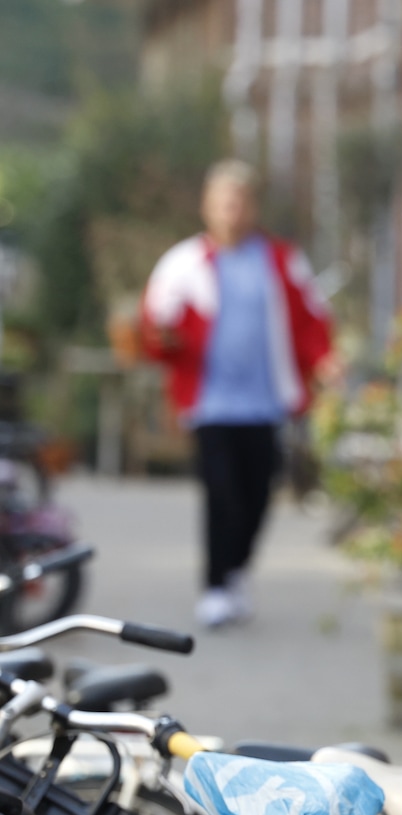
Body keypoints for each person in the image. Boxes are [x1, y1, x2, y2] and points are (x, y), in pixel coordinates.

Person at [140, 160, 330, 628]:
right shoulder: (184, 263)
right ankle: (215, 585)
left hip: (264, 402)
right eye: (224, 202)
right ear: (208, 207)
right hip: (211, 402)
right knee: (221, 495)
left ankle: (238, 569)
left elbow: (310, 320)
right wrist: (162, 337)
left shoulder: (281, 260)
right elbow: (157, 326)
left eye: (240, 202)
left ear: (253, 207)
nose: (232, 211)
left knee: (260, 494)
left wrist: (325, 358)